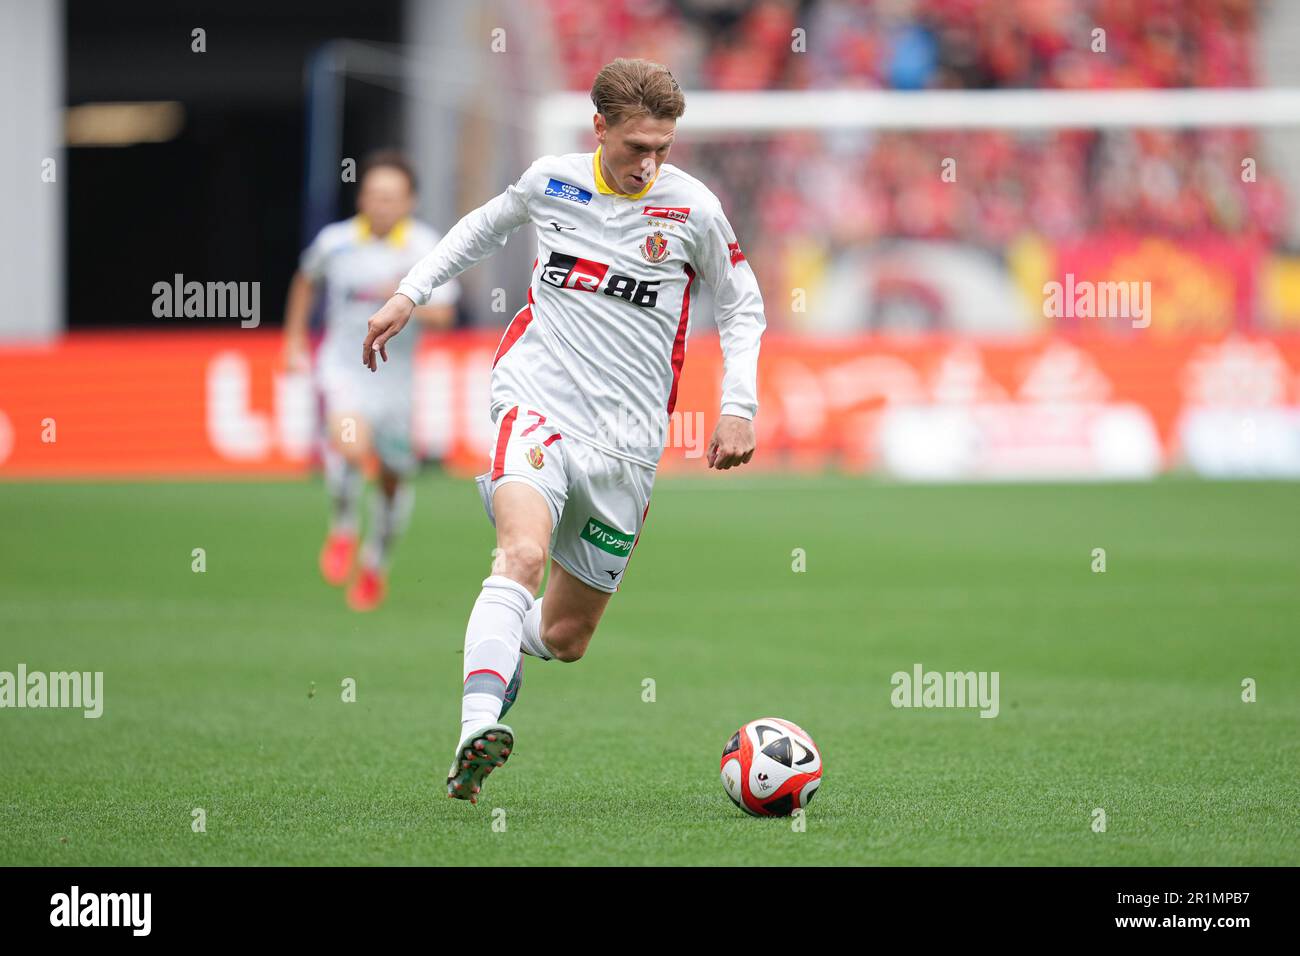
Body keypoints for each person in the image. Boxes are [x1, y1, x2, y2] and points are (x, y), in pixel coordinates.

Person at [362, 59, 764, 802]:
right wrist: (408, 295)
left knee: (567, 639)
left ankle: (495, 635)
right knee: (519, 554)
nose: (649, 163)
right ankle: (474, 724)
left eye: (663, 148)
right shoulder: (553, 180)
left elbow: (742, 306)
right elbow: (482, 228)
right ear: (599, 128)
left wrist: (739, 404)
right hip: (538, 403)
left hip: (628, 445)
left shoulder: (693, 209)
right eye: (635, 146)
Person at [283, 151, 458, 611]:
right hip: (343, 368)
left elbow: (445, 314)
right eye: (373, 194)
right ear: (361, 197)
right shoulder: (336, 241)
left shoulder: (425, 247)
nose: (380, 204)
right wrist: (294, 340)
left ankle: (375, 562)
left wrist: (403, 296)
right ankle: (342, 527)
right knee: (350, 443)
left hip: (396, 385)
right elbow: (305, 279)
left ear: (409, 201)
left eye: (391, 196)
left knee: (393, 481)